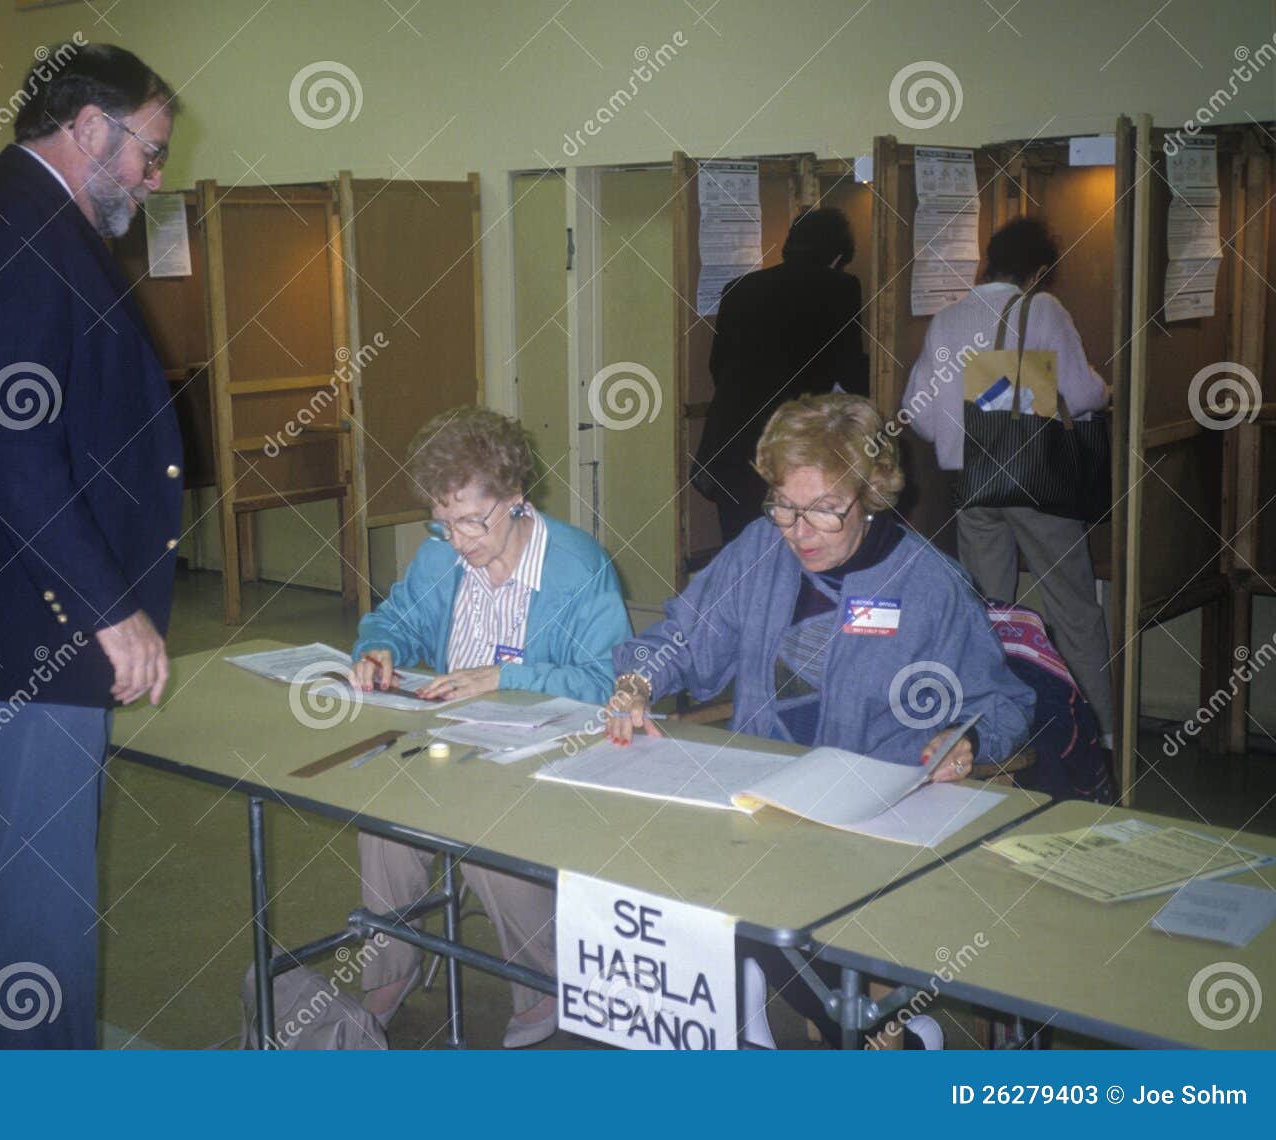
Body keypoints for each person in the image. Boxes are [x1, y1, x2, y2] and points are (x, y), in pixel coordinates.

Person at [0, 44, 181, 1050]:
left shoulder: (13, 217)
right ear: (90, 129)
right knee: (43, 904)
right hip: (35, 628)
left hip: (25, 618)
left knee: (42, 887)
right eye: (148, 153)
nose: (154, 179)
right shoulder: (15, 230)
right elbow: (13, 446)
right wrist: (107, 606)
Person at [605, 393, 1034, 1046]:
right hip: (766, 804)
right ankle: (804, 1020)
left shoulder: (928, 584)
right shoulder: (759, 551)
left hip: (876, 818)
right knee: (658, 877)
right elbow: (686, 638)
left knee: (768, 910)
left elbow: (1002, 701)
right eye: (784, 505)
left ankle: (840, 1016)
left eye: (825, 511)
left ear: (871, 495)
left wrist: (966, 738)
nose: (799, 531)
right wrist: (639, 680)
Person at [348, 405, 632, 1048]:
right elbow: (394, 620)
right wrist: (380, 647)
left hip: (551, 753)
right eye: (443, 522)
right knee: (386, 821)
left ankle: (543, 983)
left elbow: (605, 684)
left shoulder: (577, 568)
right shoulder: (439, 557)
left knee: (489, 832)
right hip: (458, 740)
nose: (459, 539)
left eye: (474, 519)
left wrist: (508, 677)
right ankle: (389, 969)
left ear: (516, 498)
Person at [901, 216, 1114, 747]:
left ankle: (992, 736)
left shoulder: (947, 318)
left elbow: (918, 415)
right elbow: (1082, 395)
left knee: (989, 614)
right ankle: (1102, 735)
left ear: (988, 261)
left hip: (973, 487)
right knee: (1074, 609)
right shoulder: (1041, 308)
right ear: (1040, 270)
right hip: (1038, 482)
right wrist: (1104, 389)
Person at [693, 207, 869, 544]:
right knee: (794, 540)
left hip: (732, 438)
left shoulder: (739, 288)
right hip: (792, 439)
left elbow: (718, 365)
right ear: (837, 255)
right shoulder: (841, 287)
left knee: (741, 545)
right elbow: (848, 367)